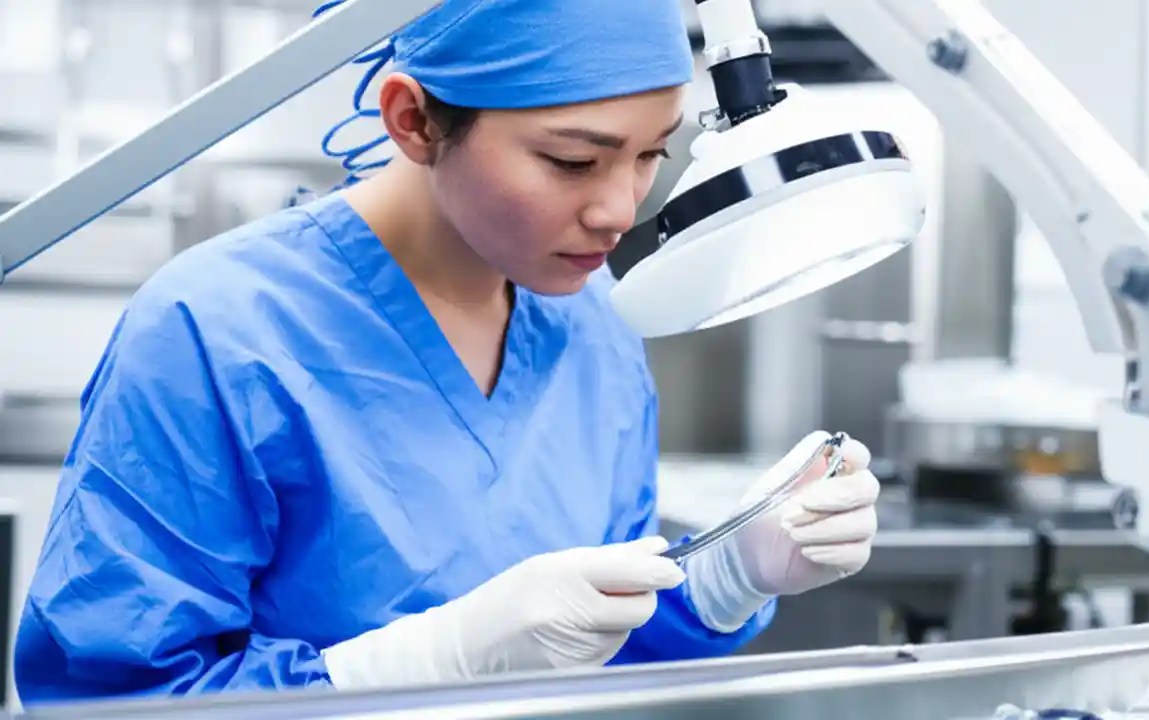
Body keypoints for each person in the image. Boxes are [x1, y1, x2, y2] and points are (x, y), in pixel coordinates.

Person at [14, 0, 881, 703]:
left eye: (653, 152)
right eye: (575, 160)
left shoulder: (596, 326)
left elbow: (596, 642)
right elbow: (109, 700)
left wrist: (722, 578)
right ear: (415, 120)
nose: (620, 210)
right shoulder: (218, 331)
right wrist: (415, 665)